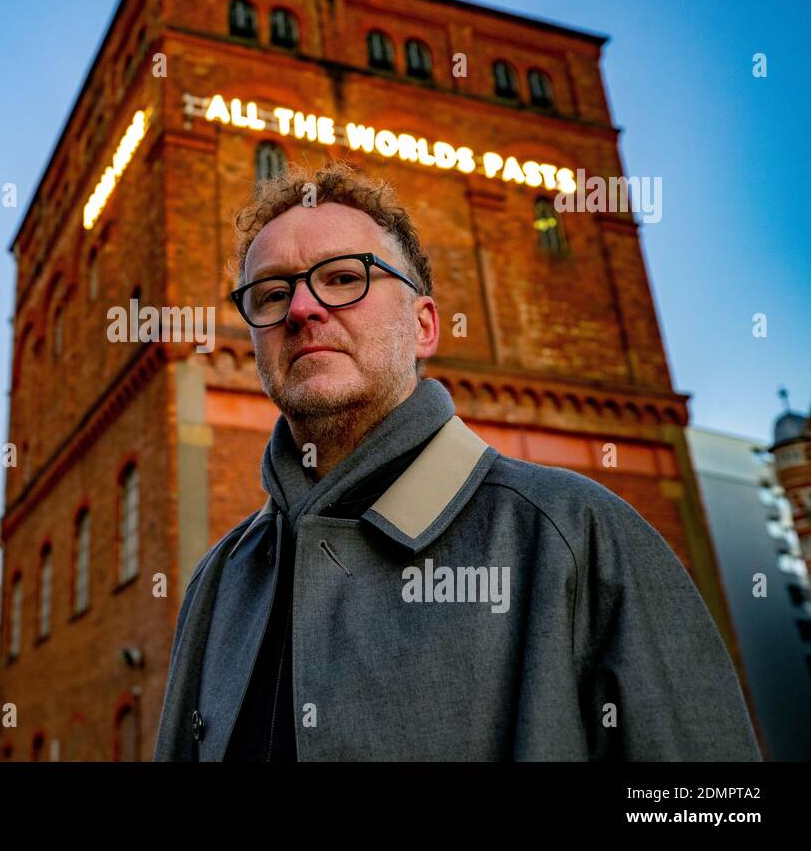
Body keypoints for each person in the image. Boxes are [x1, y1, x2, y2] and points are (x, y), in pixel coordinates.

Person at [153, 162, 761, 761]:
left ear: (424, 327)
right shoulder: (220, 581)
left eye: (343, 278)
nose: (302, 309)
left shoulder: (575, 535)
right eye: (273, 292)